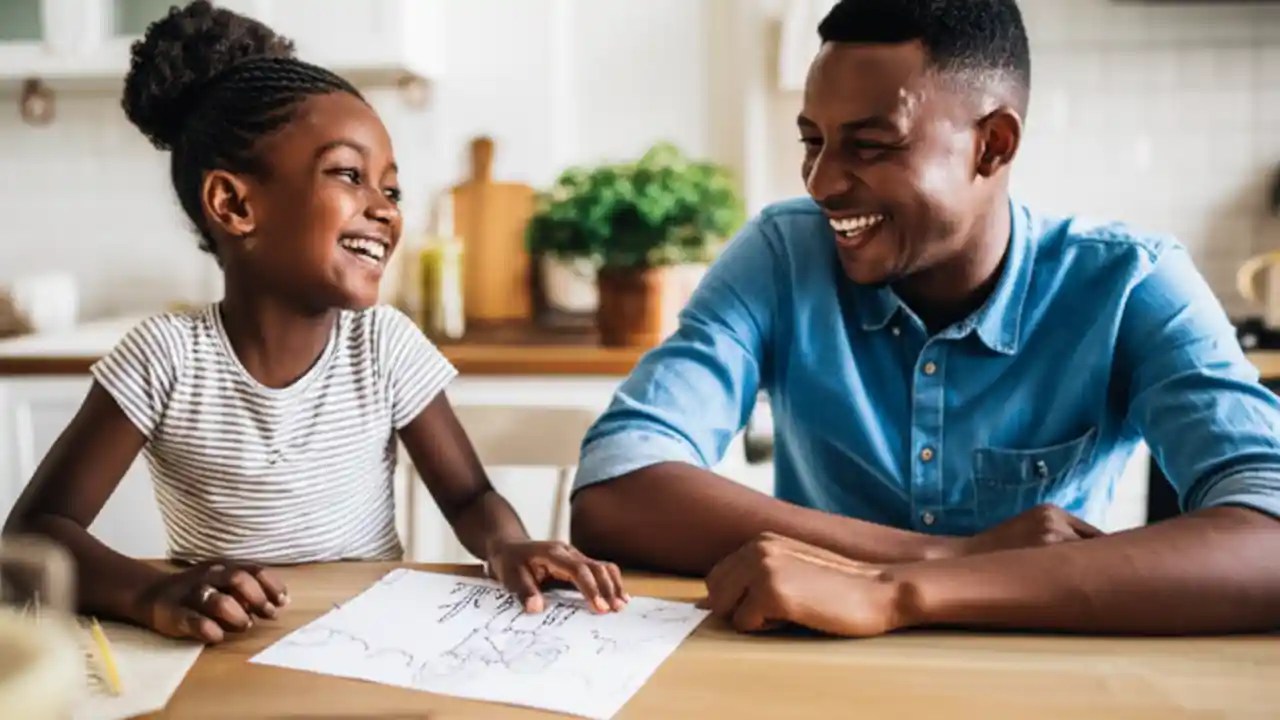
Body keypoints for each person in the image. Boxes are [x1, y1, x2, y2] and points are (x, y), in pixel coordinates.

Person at [570, 0, 1280, 637]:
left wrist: (895, 593)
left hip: (1047, 680)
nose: (821, 184)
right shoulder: (781, 255)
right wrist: (950, 556)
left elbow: (1268, 530)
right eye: (812, 141)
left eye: (870, 146)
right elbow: (618, 485)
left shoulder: (1130, 283)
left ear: (992, 145)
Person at [3, 1, 626, 645]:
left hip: (374, 643)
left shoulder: (383, 344)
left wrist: (509, 545)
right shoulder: (166, 358)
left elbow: (469, 497)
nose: (384, 210)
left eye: (391, 189)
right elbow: (32, 534)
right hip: (222, 652)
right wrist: (151, 591)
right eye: (349, 176)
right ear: (234, 203)